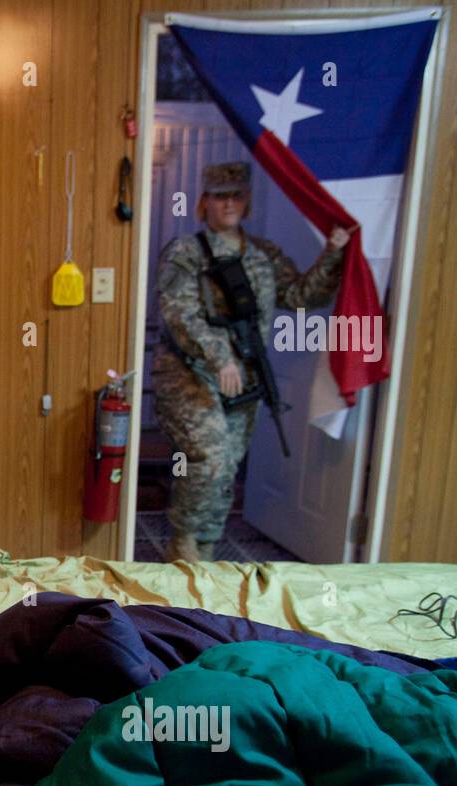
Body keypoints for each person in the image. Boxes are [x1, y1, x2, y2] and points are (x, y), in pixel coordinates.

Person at [153, 161, 350, 562]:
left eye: (236, 195)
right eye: (219, 195)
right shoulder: (186, 252)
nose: (228, 204)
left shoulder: (263, 254)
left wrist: (333, 254)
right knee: (209, 455)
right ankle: (184, 539)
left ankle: (206, 544)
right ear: (204, 202)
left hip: (243, 374)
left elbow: (299, 296)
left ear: (248, 201)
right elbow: (179, 313)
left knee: (229, 465)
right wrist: (220, 357)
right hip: (188, 374)